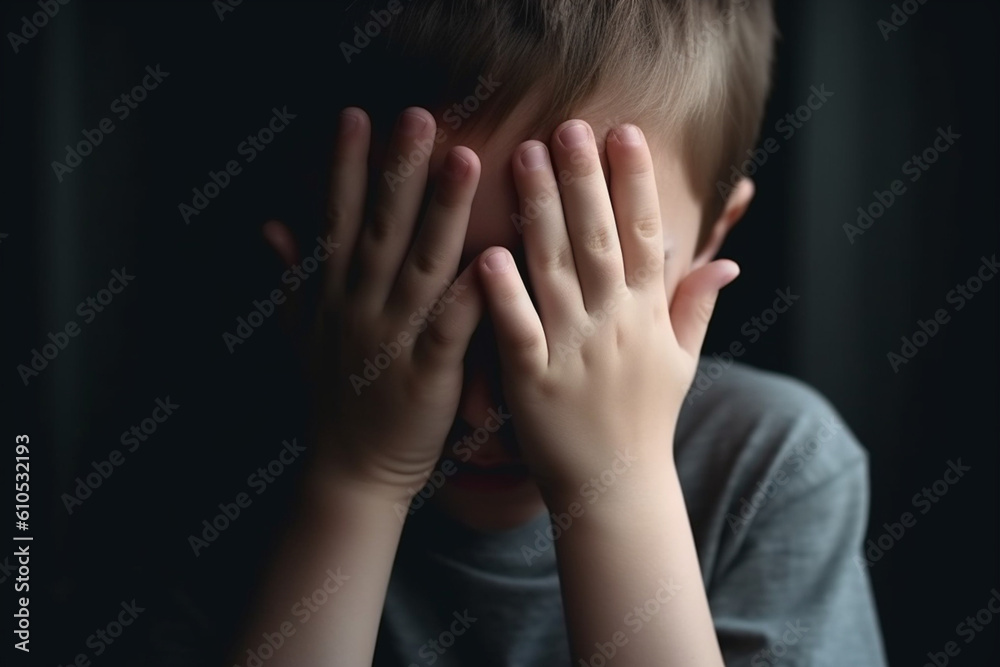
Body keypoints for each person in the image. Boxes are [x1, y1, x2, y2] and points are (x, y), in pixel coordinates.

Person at [235, 1, 889, 665]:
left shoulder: (773, 466)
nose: (480, 410)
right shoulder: (240, 459)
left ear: (714, 233)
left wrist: (619, 484)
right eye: (416, 299)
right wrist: (357, 477)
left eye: (583, 288)